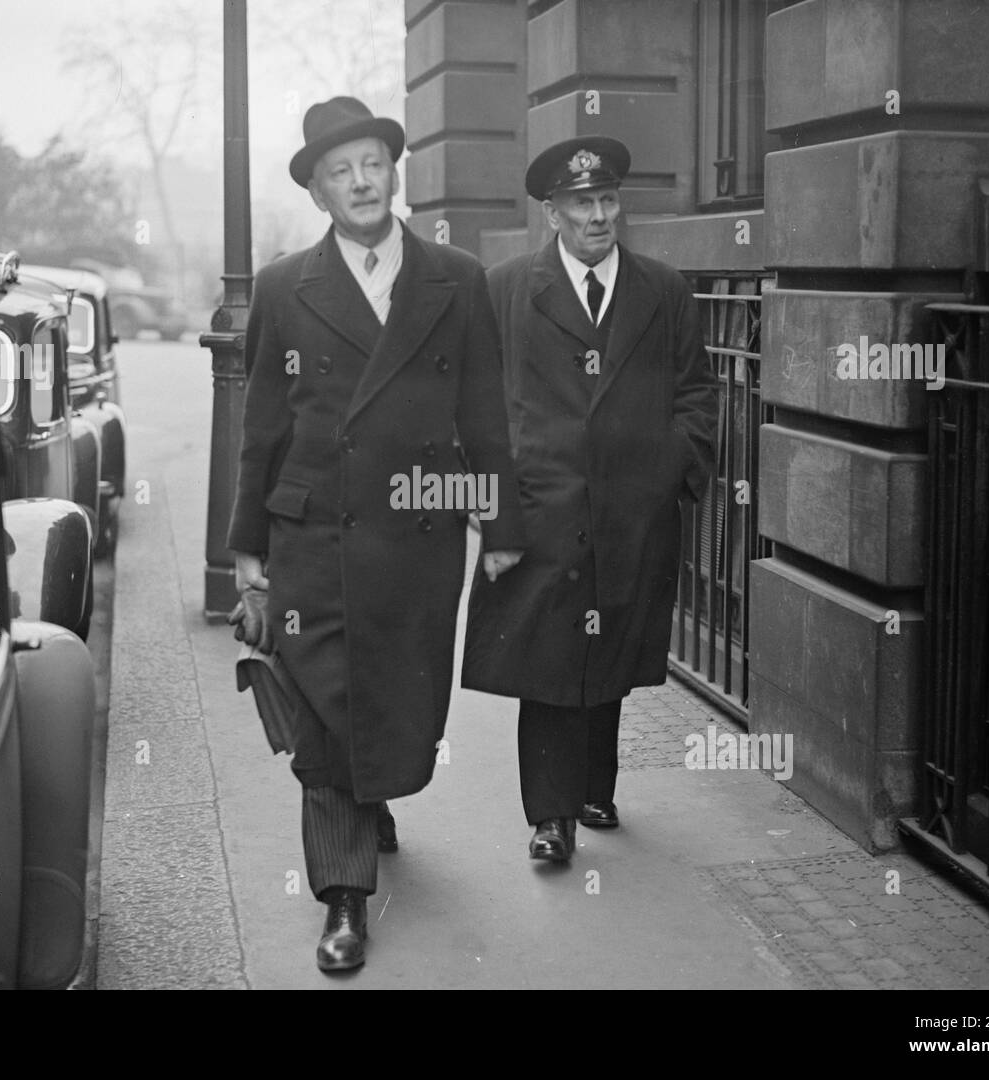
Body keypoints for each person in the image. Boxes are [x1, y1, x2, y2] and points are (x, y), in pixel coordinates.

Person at [228, 96, 525, 972]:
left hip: (417, 530)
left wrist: (499, 521)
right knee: (323, 715)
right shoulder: (286, 286)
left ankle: (377, 791)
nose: (359, 182)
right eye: (338, 171)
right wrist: (247, 548)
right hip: (315, 529)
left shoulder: (456, 278)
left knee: (399, 698)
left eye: (370, 164)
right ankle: (344, 898)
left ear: (393, 173)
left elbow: (483, 409)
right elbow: (261, 426)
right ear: (318, 192)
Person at [462, 135, 719, 863]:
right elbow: (475, 407)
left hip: (632, 510)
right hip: (541, 511)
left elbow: (697, 392)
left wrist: (670, 467)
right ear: (552, 213)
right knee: (548, 660)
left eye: (608, 201)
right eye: (582, 205)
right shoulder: (506, 288)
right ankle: (549, 816)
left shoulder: (664, 290)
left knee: (608, 648)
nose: (599, 216)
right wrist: (495, 507)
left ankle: (592, 788)